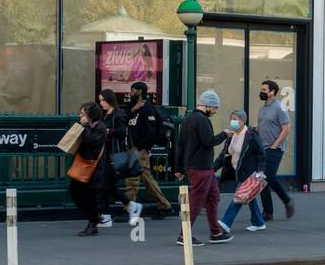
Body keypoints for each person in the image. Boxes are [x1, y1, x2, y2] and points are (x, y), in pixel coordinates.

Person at [174, 90, 231, 246]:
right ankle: (183, 235)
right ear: (207, 105)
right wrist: (225, 134)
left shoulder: (187, 120)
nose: (215, 111)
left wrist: (178, 168)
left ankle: (216, 232)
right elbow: (209, 141)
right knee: (196, 201)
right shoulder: (202, 120)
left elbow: (181, 146)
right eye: (214, 108)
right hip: (201, 167)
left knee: (213, 196)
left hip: (197, 166)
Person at [125, 81, 173, 219]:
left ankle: (128, 210)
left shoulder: (148, 108)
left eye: (133, 90)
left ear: (139, 91)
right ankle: (165, 205)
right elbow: (123, 117)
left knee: (132, 179)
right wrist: (133, 109)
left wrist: (140, 147)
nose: (130, 93)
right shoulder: (133, 107)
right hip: (132, 147)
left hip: (139, 149)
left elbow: (151, 132)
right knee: (146, 178)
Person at [217, 110, 267, 234]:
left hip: (249, 173)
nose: (232, 122)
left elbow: (261, 153)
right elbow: (224, 155)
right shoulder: (231, 135)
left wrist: (261, 171)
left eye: (235, 119)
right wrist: (211, 168)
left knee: (239, 197)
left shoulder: (251, 135)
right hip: (237, 171)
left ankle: (225, 223)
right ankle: (258, 222)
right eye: (231, 119)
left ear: (243, 121)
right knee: (248, 197)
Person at [97, 88, 142, 227]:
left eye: (103, 100)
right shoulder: (107, 115)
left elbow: (123, 132)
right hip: (108, 154)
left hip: (115, 154)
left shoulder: (118, 114)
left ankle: (127, 207)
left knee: (105, 185)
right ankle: (107, 215)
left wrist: (107, 131)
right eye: (100, 101)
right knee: (105, 186)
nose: (101, 103)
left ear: (109, 100)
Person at [257, 80, 295, 222]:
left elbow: (286, 128)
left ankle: (287, 201)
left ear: (272, 92)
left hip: (275, 148)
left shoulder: (280, 107)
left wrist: (275, 145)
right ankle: (268, 212)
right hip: (262, 148)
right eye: (261, 89)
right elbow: (262, 127)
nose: (261, 91)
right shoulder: (262, 109)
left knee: (269, 177)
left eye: (264, 89)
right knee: (262, 180)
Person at [68, 103, 108, 237]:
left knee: (89, 196)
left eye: (83, 113)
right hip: (82, 164)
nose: (80, 116)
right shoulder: (85, 125)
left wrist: (84, 127)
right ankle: (95, 217)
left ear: (90, 115)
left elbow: (91, 141)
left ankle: (93, 224)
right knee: (75, 192)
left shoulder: (100, 127)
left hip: (94, 167)